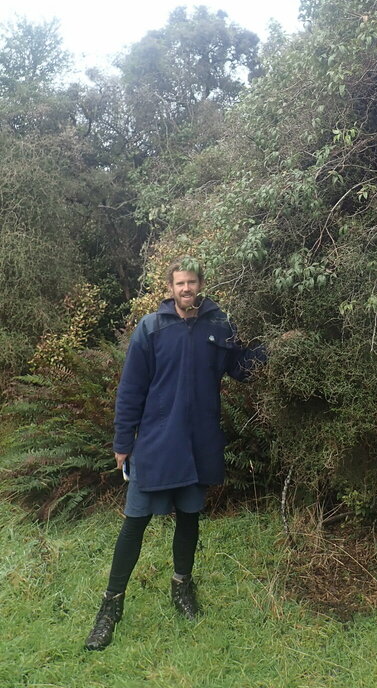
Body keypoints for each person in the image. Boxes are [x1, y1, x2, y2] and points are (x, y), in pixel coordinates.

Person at [85, 258, 265, 651]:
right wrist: (122, 443)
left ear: (201, 284)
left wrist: (277, 350)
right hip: (156, 443)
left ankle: (182, 587)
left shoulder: (219, 326)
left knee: (189, 516)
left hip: (198, 443)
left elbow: (241, 368)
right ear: (170, 288)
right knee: (134, 523)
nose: (187, 289)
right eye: (180, 283)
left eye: (192, 282)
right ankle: (110, 609)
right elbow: (130, 389)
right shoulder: (151, 327)